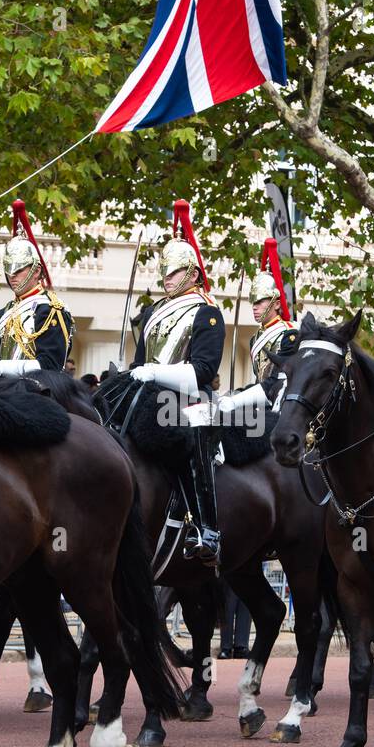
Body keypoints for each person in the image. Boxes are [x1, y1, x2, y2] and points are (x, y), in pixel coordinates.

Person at [130, 199, 224, 566]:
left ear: (193, 273)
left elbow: (202, 370)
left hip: (189, 396)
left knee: (195, 436)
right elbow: (140, 361)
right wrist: (137, 374)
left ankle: (205, 527)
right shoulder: (153, 312)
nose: (167, 279)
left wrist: (155, 373)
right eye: (165, 273)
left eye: (175, 273)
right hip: (148, 391)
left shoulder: (207, 312)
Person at [0, 199, 73, 378]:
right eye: (9, 269)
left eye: (19, 269)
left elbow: (50, 364)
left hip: (38, 390)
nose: (12, 275)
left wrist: (0, 368)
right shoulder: (4, 312)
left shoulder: (49, 309)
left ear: (36, 271)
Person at [216, 237, 298, 415]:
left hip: (283, 409)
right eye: (253, 301)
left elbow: (278, 381)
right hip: (262, 407)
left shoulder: (289, 334)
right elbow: (260, 382)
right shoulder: (256, 338)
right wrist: (236, 393)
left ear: (276, 304)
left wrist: (237, 400)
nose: (254, 306)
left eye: (260, 301)